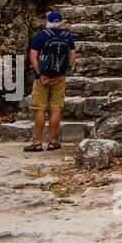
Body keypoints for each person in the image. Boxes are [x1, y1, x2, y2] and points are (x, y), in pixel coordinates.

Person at [25, 10, 77, 152]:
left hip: (41, 78)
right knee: (56, 108)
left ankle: (37, 142)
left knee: (40, 108)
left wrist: (41, 74)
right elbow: (73, 54)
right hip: (59, 78)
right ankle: (53, 141)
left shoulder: (41, 36)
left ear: (47, 21)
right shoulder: (67, 36)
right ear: (61, 22)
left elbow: (33, 56)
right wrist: (62, 72)